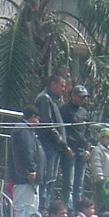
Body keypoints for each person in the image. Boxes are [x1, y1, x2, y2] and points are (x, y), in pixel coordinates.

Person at [33, 73, 71, 205]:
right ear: (53, 84)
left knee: (52, 179)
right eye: (61, 86)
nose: (63, 89)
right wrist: (61, 142)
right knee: (46, 179)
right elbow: (47, 123)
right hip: (48, 145)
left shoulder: (53, 99)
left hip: (54, 147)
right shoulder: (45, 98)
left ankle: (47, 205)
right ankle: (42, 206)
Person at [9, 108, 43, 217]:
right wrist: (31, 169)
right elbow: (27, 150)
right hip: (24, 177)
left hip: (28, 179)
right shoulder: (23, 130)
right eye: (37, 119)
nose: (38, 123)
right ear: (32, 117)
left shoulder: (28, 131)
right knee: (24, 208)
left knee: (31, 209)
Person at [61, 84, 92, 206]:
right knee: (68, 183)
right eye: (80, 97)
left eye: (84, 97)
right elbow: (62, 130)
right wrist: (65, 147)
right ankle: (68, 209)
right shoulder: (64, 110)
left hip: (82, 150)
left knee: (79, 184)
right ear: (72, 95)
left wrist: (88, 149)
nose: (82, 100)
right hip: (70, 150)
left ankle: (78, 210)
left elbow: (88, 131)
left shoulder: (84, 112)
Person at [88, 127, 109, 209]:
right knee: (100, 202)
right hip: (102, 180)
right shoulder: (97, 150)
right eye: (107, 138)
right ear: (101, 138)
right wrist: (99, 176)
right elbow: (96, 164)